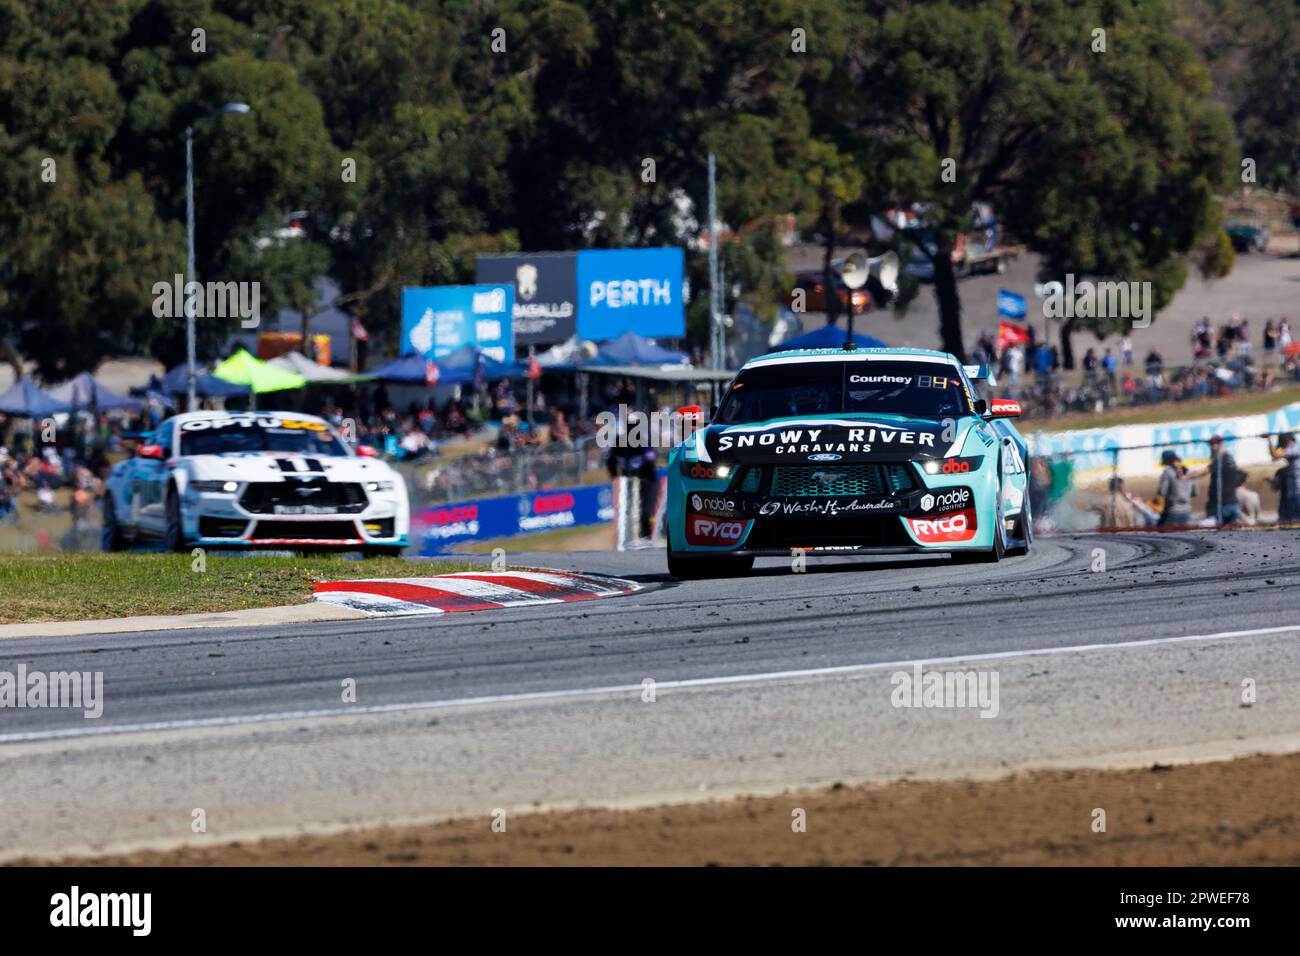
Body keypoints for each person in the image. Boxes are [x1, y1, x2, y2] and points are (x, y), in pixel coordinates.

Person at [1189, 435, 1243, 524]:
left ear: (1220, 444)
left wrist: (1186, 476)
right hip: (1231, 502)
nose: (1211, 448)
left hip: (1222, 504)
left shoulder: (1220, 458)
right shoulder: (1230, 458)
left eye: (1213, 444)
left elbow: (1204, 471)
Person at [1155, 450, 1196, 526]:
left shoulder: (1167, 472)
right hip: (1187, 510)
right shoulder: (1189, 471)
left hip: (1172, 510)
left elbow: (1162, 492)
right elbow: (1195, 492)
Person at [1269, 432, 1300, 523]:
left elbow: (1275, 456)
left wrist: (1269, 440)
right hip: (1294, 493)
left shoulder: (1295, 448)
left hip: (1297, 493)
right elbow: (1274, 458)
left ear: (1287, 440)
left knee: (1294, 522)